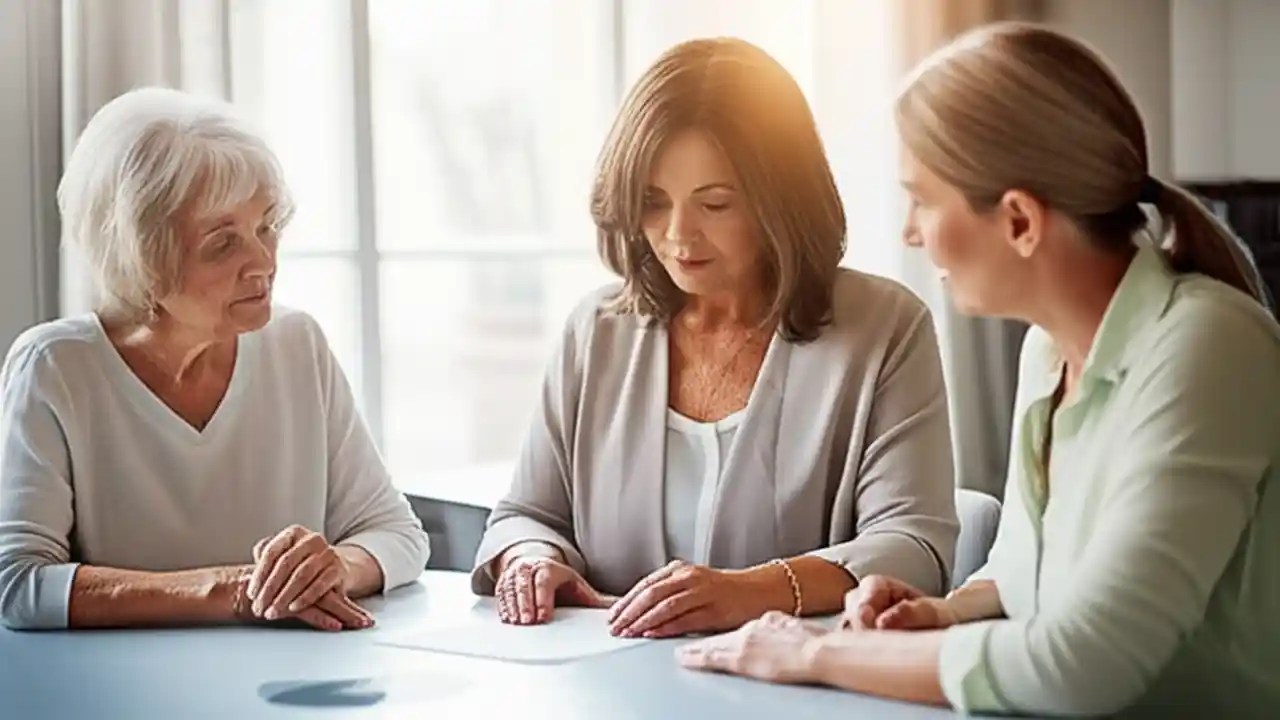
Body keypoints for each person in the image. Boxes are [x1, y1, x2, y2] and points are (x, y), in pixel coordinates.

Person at [678, 23, 1280, 718]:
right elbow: (1030, 571)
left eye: (924, 199)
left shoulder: (1208, 346)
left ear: (1020, 221)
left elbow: (1085, 665)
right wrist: (940, 614)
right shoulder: (1049, 350)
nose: (910, 230)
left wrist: (817, 655)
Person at [471, 37, 959, 639]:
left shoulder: (884, 327)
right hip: (612, 686)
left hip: (798, 687)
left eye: (716, 204)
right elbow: (526, 516)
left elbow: (914, 547)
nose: (679, 236)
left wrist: (750, 592)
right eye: (653, 202)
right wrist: (532, 561)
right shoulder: (596, 330)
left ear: (782, 200)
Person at [0, 88, 430, 631]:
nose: (264, 262)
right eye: (223, 243)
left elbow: (396, 534)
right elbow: (18, 584)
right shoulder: (55, 367)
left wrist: (333, 569)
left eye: (266, 227)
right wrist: (228, 590)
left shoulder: (296, 343)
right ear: (142, 257)